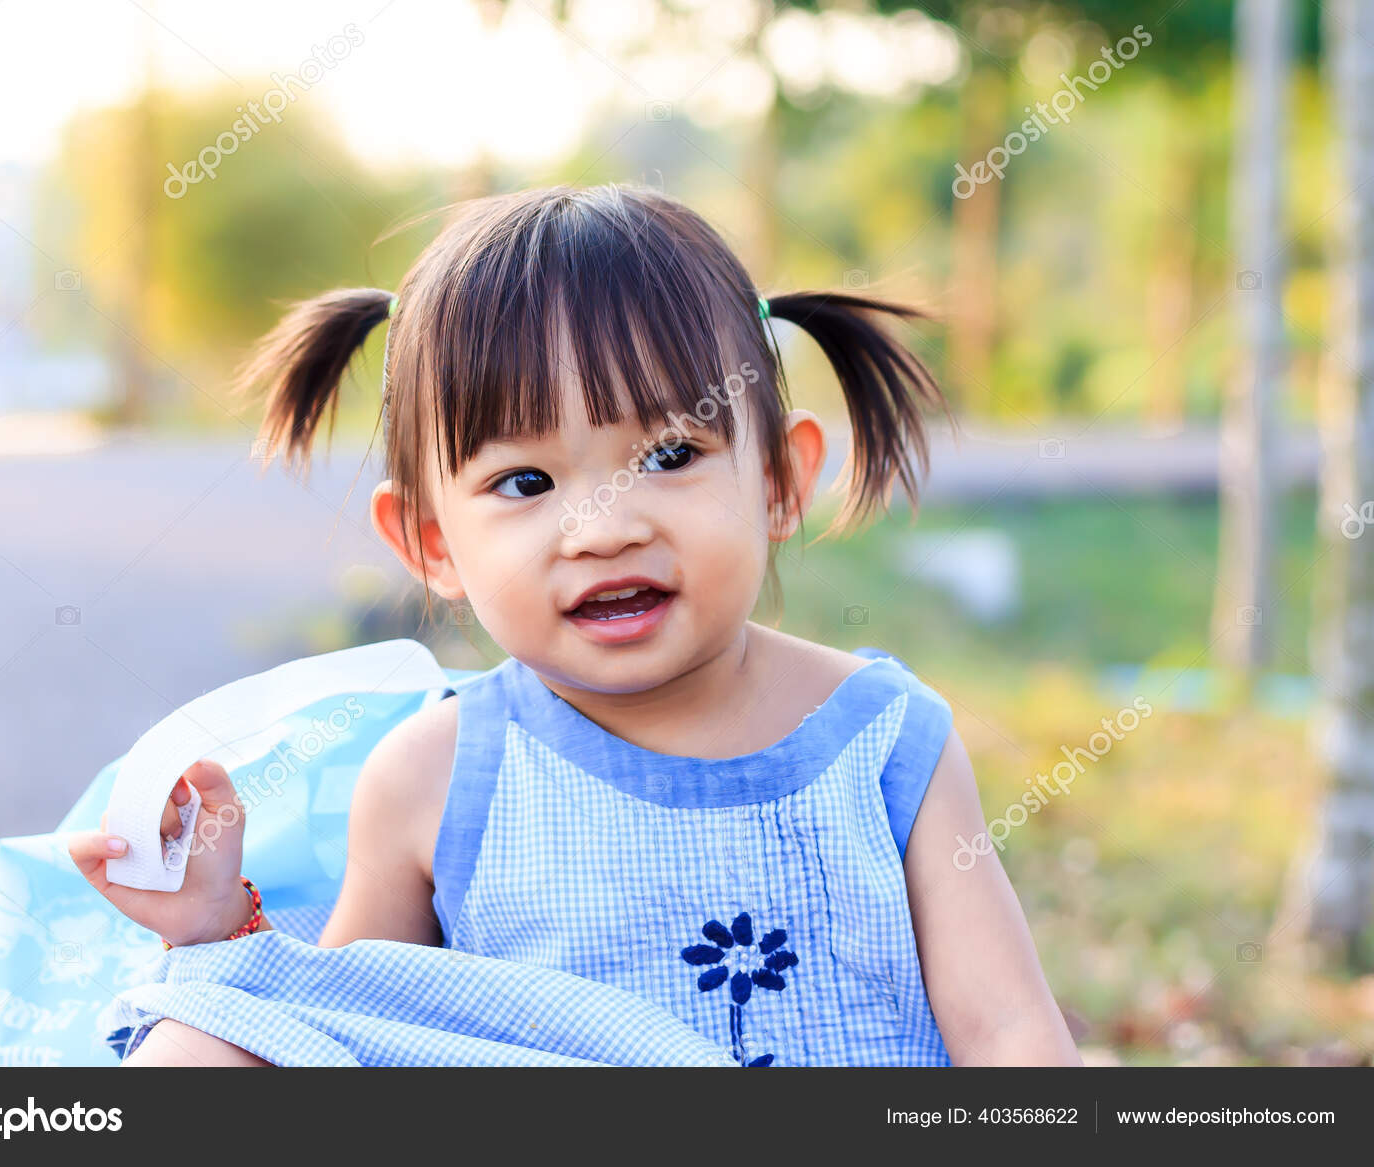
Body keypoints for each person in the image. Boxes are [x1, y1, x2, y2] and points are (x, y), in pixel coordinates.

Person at [70, 184, 1079, 1067]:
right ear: (430, 542)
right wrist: (218, 931)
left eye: (670, 456)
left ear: (778, 481)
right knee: (196, 1043)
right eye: (525, 481)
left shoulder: (884, 742)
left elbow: (1006, 1032)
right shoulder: (436, 775)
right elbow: (344, 1029)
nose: (603, 528)